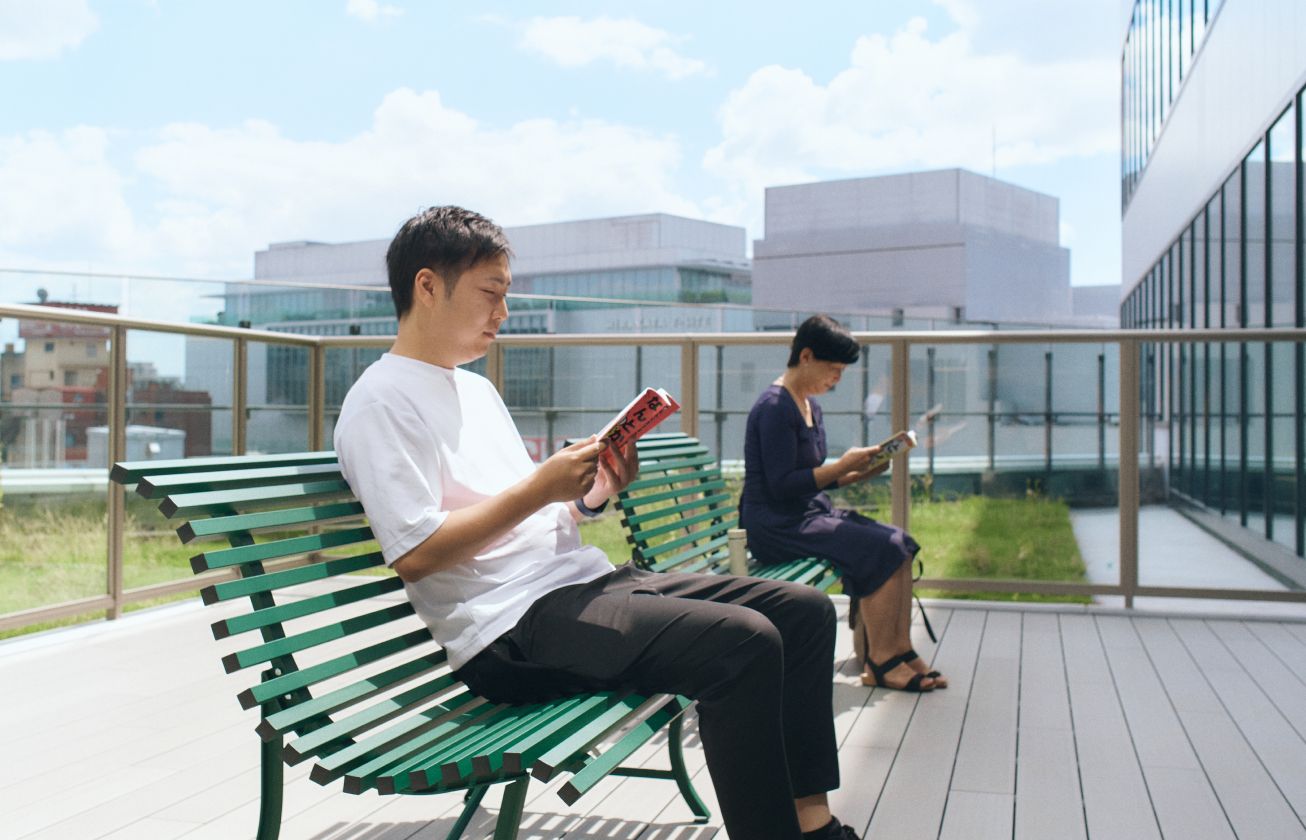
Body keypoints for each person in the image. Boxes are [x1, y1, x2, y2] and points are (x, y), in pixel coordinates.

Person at [333, 206, 862, 840]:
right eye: (491, 294)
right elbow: (415, 552)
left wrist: (590, 494)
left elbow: (525, 514)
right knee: (743, 644)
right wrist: (539, 487)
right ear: (427, 286)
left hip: (579, 588)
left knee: (804, 613)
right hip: (509, 629)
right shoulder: (379, 400)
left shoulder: (474, 390)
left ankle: (811, 825)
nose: (502, 313)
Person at [740, 315, 946, 692]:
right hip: (776, 525)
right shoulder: (773, 407)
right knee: (879, 547)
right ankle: (880, 662)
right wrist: (841, 465)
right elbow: (782, 485)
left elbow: (816, 475)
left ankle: (899, 650)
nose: (836, 378)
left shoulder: (809, 406)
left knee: (899, 542)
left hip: (807, 514)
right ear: (805, 356)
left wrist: (862, 469)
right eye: (833, 369)